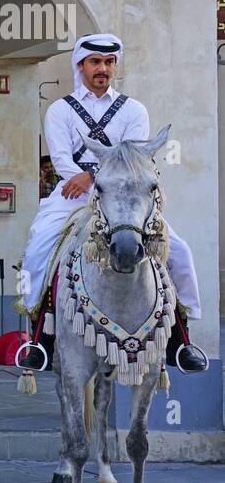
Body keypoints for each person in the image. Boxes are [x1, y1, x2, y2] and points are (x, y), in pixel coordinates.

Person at [17, 33, 205, 373]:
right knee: (37, 250)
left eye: (108, 62)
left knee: (179, 251)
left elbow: (133, 158)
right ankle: (39, 337)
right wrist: (86, 180)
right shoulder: (60, 110)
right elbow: (62, 162)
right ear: (81, 66)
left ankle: (181, 338)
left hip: (124, 196)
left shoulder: (134, 110)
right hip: (71, 195)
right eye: (95, 62)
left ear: (114, 65)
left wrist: (92, 177)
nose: (102, 69)